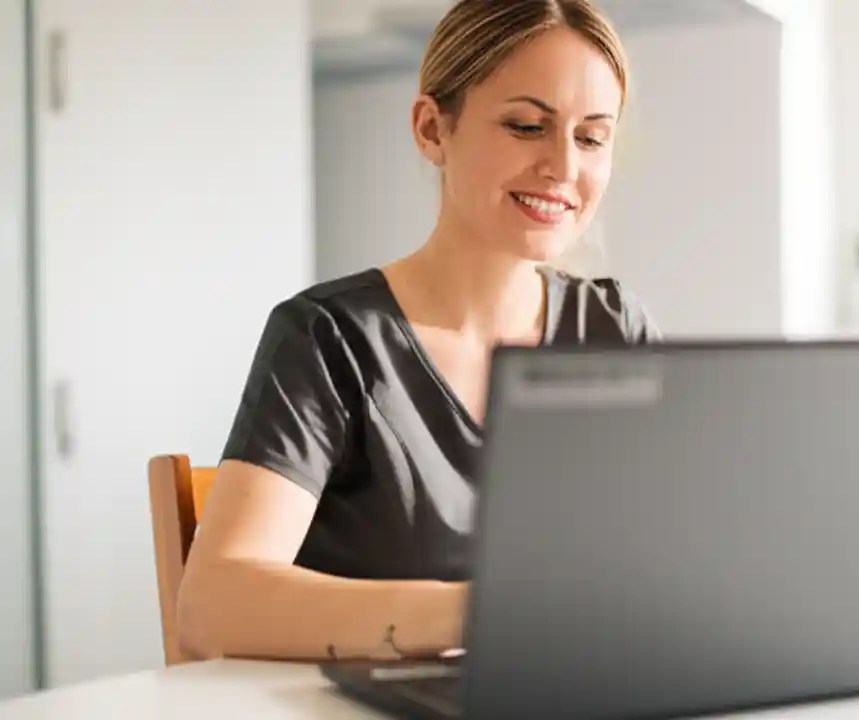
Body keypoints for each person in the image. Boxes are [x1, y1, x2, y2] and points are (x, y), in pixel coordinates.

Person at [178, 0, 657, 662]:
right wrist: (479, 613)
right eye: (526, 126)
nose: (563, 167)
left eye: (592, 138)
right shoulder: (327, 338)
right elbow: (212, 608)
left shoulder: (612, 327)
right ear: (433, 128)